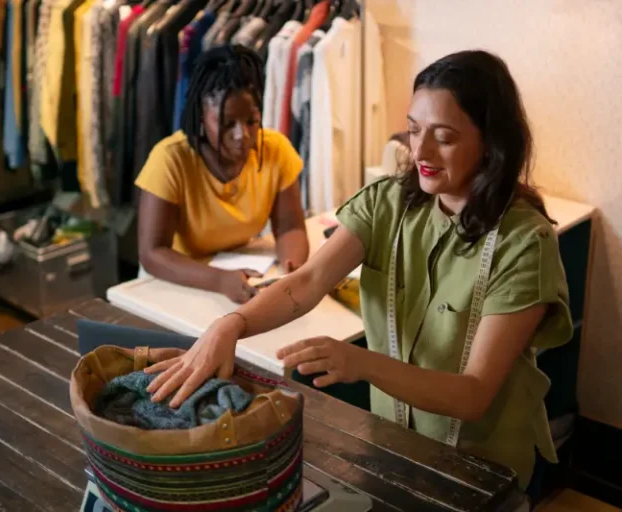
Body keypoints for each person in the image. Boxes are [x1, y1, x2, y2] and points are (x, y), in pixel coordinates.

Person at [141, 50, 573, 492]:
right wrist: (230, 325)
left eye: (443, 137)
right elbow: (307, 281)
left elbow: (473, 394)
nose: (420, 151)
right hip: (394, 448)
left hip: (485, 470)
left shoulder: (524, 243)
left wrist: (360, 362)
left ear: (491, 142)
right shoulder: (387, 203)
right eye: (414, 130)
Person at [135, 44, 309, 304]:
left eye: (251, 121)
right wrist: (219, 280)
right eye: (228, 124)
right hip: (176, 282)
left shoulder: (275, 150)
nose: (242, 135)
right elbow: (153, 253)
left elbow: (290, 228)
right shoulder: (170, 159)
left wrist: (292, 270)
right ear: (201, 118)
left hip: (238, 277)